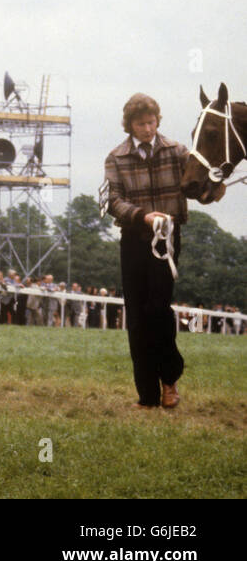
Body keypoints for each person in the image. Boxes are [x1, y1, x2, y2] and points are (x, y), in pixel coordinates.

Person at [104, 93, 193, 410]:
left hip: (167, 240)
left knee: (158, 309)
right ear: (130, 125)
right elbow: (112, 201)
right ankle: (148, 395)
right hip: (133, 239)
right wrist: (141, 215)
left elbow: (199, 179)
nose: (147, 128)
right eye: (141, 123)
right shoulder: (116, 157)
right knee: (138, 317)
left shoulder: (178, 151)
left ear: (158, 121)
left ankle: (169, 381)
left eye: (151, 122)